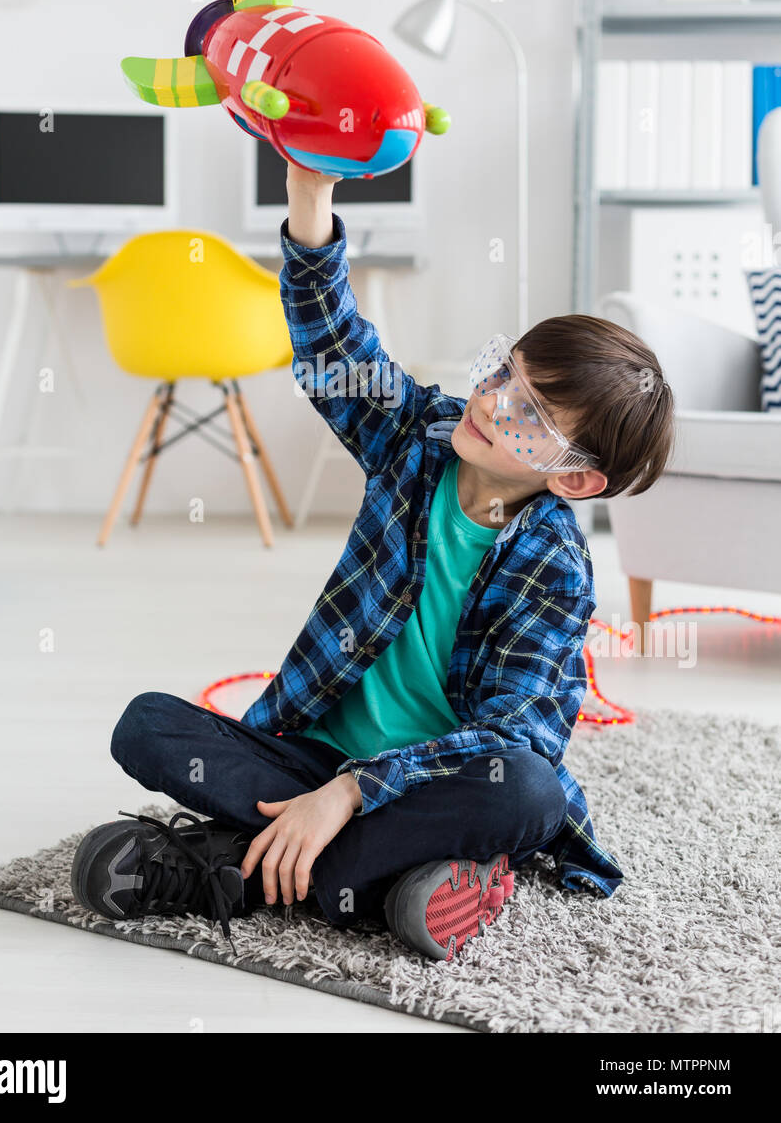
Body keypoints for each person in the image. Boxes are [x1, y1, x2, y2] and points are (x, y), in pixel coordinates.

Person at [72, 161, 674, 960]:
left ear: (574, 478)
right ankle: (386, 884)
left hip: (428, 786)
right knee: (148, 723)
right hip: (312, 756)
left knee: (526, 791)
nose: (494, 402)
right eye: (504, 373)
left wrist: (352, 793)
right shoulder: (419, 436)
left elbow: (511, 738)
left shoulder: (554, 567)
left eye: (529, 412)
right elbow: (332, 352)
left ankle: (224, 868)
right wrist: (311, 198)